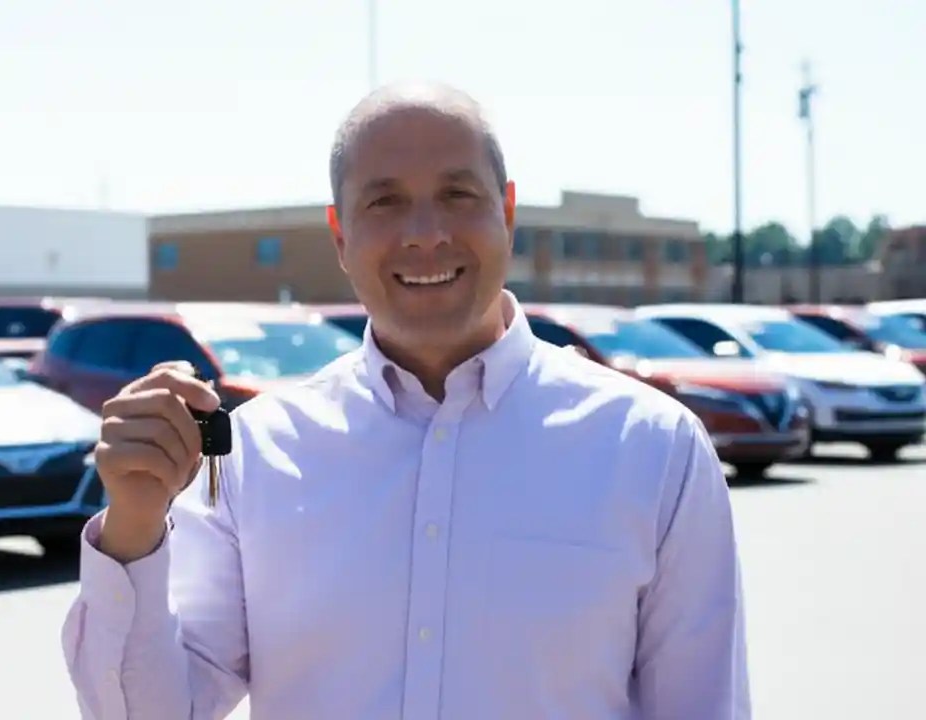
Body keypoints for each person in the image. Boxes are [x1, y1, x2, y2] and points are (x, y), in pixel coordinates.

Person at [62, 82, 751, 719]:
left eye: (458, 195)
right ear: (339, 236)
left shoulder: (653, 450)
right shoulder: (254, 457)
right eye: (384, 201)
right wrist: (134, 527)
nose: (426, 233)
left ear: (506, 212)